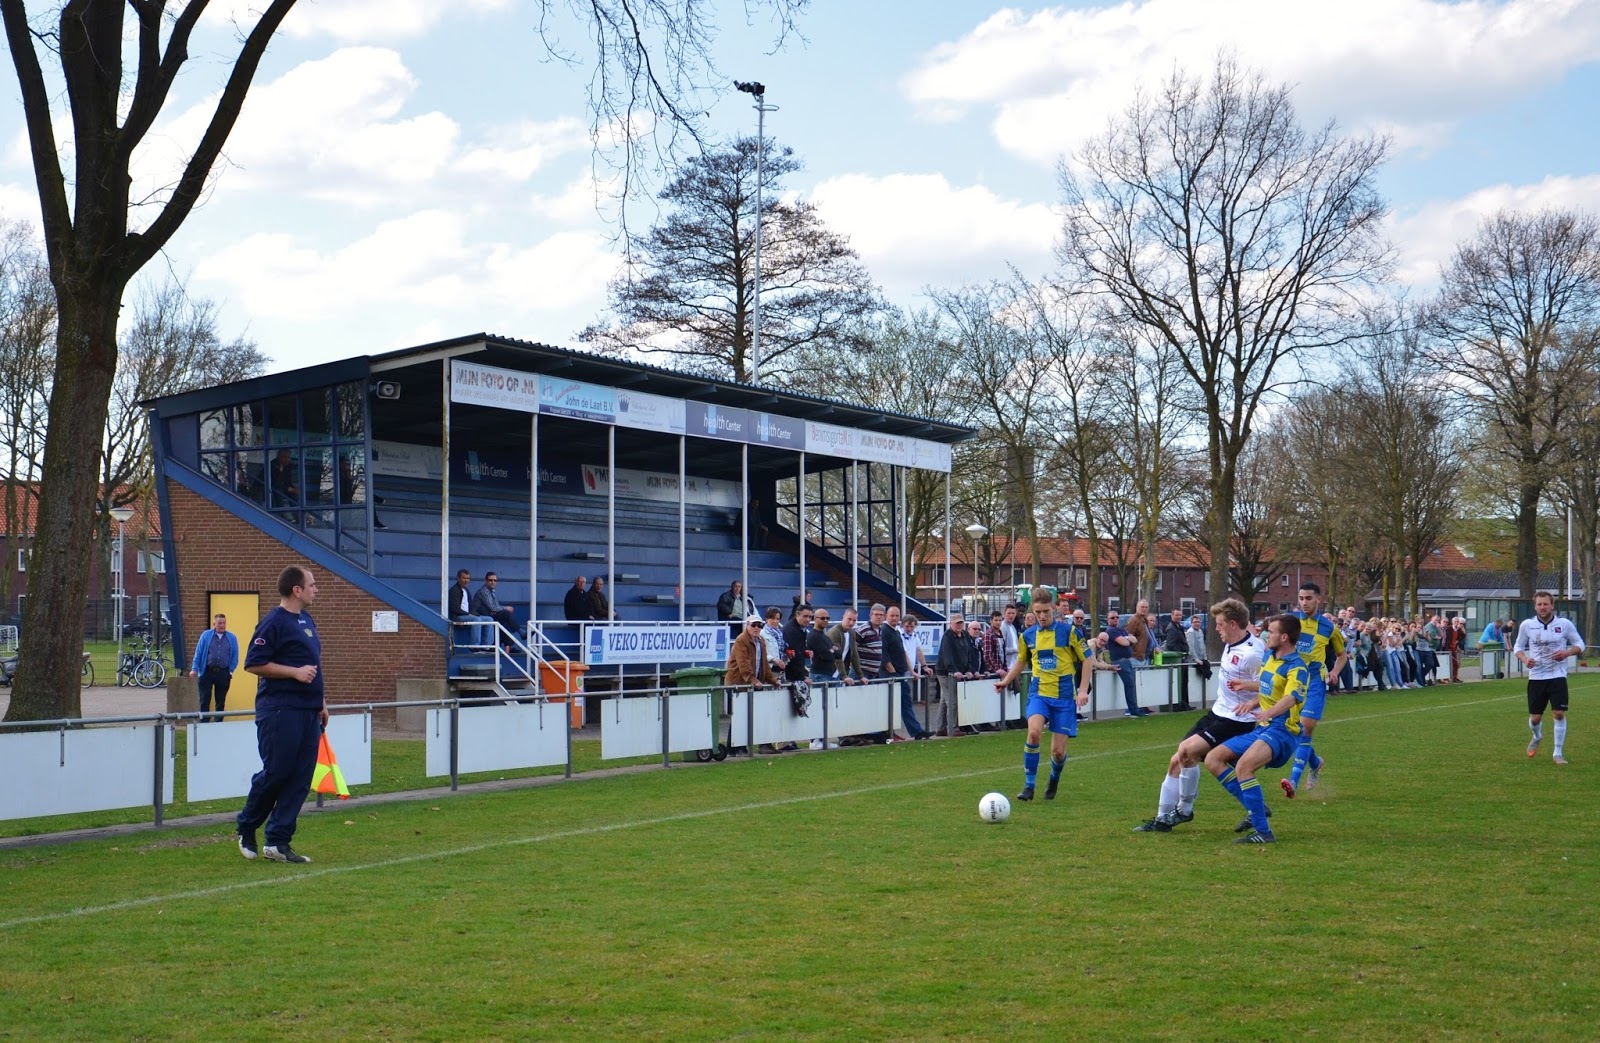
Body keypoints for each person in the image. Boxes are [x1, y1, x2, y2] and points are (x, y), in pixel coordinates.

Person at [1134, 599, 1265, 832]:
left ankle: (1185, 810)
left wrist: (1251, 698)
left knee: (1187, 751)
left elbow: (1271, 685)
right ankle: (1162, 818)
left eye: (1220, 624)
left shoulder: (1253, 654)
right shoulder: (1232, 642)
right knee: (1178, 759)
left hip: (1237, 720)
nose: (1217, 629)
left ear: (1233, 624)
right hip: (1218, 713)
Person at [235, 565, 327, 865]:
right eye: (312, 585)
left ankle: (277, 841)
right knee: (277, 772)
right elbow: (254, 663)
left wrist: (321, 702)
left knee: (301, 778)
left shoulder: (307, 620)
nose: (316, 590)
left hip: (308, 711)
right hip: (280, 710)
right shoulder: (273, 622)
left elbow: (312, 664)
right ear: (296, 590)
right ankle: (247, 825)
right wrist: (294, 673)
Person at [1205, 614, 1308, 844]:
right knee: (1213, 758)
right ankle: (1257, 808)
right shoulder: (1270, 657)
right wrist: (1249, 695)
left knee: (1243, 767)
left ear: (1284, 637)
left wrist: (1268, 713)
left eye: (1271, 632)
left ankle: (1263, 831)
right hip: (1264, 727)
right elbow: (1267, 686)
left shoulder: (1297, 668)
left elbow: (1291, 697)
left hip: (1282, 731)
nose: (1266, 635)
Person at [993, 587, 1088, 802]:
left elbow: (1087, 660)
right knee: (1034, 733)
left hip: (1064, 697)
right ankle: (1029, 786)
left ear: (1053, 608)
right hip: (1039, 693)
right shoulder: (1027, 636)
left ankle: (1054, 777)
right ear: (1032, 611)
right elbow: (1021, 661)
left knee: (1058, 752)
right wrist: (1006, 681)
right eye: (1038, 612)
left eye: (1046, 611)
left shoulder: (1070, 632)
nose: (1042, 616)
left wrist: (1082, 690)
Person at [1282, 582, 1348, 798]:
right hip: (1292, 682)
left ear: (1319, 599)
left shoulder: (1329, 628)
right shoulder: (1290, 622)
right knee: (1295, 730)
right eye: (1301, 598)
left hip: (1314, 683)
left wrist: (1335, 671)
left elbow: (1342, 655)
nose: (1304, 602)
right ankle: (1315, 762)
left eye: (1309, 598)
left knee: (1305, 728)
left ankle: (1293, 780)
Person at [1514, 591, 1584, 765]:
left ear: (1552, 605)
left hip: (1557, 675)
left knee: (1559, 713)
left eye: (1546, 604)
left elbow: (1580, 644)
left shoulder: (1564, 624)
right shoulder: (1527, 625)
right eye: (1539, 604)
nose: (1543, 607)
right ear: (1535, 606)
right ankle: (1537, 736)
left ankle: (1557, 753)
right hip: (1536, 677)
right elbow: (1518, 647)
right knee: (1535, 718)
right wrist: (1525, 659)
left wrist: (1567, 653)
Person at [881, 604, 929, 740]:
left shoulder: (895, 631)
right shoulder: (885, 631)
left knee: (905, 703)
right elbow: (884, 655)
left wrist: (913, 670)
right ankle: (889, 734)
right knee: (891, 705)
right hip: (892, 675)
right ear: (886, 616)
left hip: (901, 674)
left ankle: (916, 731)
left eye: (897, 616)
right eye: (892, 615)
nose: (894, 618)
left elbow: (904, 653)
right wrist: (893, 672)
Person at [188, 612, 239, 723]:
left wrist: (230, 671)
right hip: (207, 671)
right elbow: (199, 652)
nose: (222, 625)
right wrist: (194, 669)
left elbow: (235, 656)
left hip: (223, 672)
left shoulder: (232, 638)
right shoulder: (206, 635)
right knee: (204, 699)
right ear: (214, 624)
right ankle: (204, 724)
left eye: (224, 623)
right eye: (219, 623)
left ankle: (218, 724)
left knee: (220, 701)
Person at [934, 612, 978, 737]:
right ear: (951, 624)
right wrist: (953, 670)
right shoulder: (947, 637)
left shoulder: (964, 635)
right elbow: (947, 655)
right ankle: (952, 728)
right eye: (957, 623)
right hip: (945, 672)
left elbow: (969, 654)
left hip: (958, 671)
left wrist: (969, 669)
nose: (959, 625)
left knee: (945, 700)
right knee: (952, 700)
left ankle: (941, 728)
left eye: (961, 623)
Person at [1100, 608, 1149, 716]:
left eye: (1117, 617)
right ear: (1108, 619)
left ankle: (1135, 708)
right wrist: (1127, 639)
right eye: (1112, 617)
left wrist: (1126, 638)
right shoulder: (1110, 630)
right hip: (1119, 661)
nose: (1115, 619)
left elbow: (1134, 640)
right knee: (1129, 684)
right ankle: (1133, 710)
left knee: (1132, 685)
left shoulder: (1121, 630)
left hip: (1127, 660)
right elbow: (1125, 643)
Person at [725, 615, 777, 688]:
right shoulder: (741, 640)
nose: (756, 628)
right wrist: (753, 680)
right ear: (747, 625)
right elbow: (743, 663)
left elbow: (765, 664)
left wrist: (773, 680)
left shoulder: (761, 641)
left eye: (759, 625)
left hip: (754, 684)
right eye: (753, 625)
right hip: (737, 684)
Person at [470, 571, 517, 648]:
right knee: (505, 614)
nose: (493, 582)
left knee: (503, 618)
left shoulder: (491, 591)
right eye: (490, 580)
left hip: (488, 614)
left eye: (495, 580)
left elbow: (496, 607)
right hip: (479, 615)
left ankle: (504, 645)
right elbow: (493, 608)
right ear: (486, 581)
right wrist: (505, 608)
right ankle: (514, 638)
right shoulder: (484, 591)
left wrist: (497, 610)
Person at [448, 569, 492, 647]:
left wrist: (475, 614)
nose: (466, 580)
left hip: (468, 615)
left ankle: (487, 646)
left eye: (468, 578)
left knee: (489, 619)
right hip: (458, 617)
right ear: (458, 578)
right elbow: (454, 608)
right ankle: (475, 646)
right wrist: (469, 614)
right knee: (477, 620)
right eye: (464, 578)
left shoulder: (466, 590)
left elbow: (471, 607)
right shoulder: (453, 590)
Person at [826, 607, 862, 682]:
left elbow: (855, 655)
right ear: (843, 617)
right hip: (828, 672)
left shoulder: (852, 632)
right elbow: (837, 656)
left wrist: (861, 676)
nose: (851, 623)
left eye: (854, 620)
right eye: (849, 619)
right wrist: (844, 676)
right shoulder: (835, 632)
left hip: (839, 673)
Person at [1443, 616, 1467, 683]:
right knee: (1447, 664)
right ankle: (1445, 678)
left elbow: (1463, 636)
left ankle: (1454, 677)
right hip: (1448, 648)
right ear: (1452, 622)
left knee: (1455, 664)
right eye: (1455, 621)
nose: (1456, 623)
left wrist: (1458, 640)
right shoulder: (1449, 629)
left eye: (1457, 622)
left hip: (1454, 649)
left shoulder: (1458, 630)